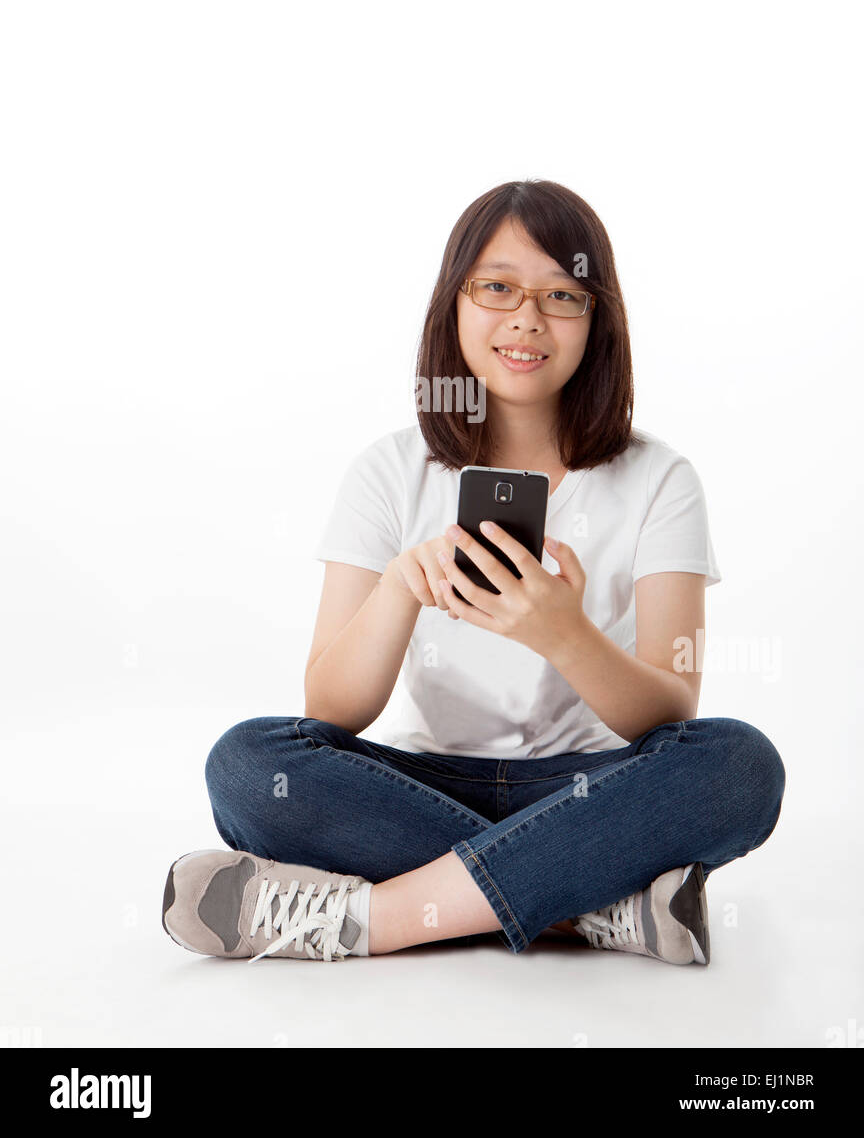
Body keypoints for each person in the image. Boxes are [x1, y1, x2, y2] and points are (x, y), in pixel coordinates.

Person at [162, 178, 785, 965]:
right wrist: (398, 589)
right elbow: (329, 709)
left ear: (598, 320)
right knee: (248, 764)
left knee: (739, 766)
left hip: (595, 787)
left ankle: (376, 918)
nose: (526, 318)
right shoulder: (388, 472)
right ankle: (596, 903)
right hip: (422, 784)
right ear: (453, 302)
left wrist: (565, 635)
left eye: (564, 295)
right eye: (497, 287)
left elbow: (670, 715)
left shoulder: (661, 479)